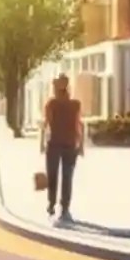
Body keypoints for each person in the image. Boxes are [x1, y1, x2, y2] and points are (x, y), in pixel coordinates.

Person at [41, 74, 83, 222]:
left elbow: (46, 123)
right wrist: (81, 145)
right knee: (67, 178)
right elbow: (79, 125)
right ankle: (64, 209)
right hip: (70, 144)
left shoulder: (51, 104)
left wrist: (41, 143)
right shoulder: (75, 104)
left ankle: (53, 204)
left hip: (55, 144)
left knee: (53, 176)